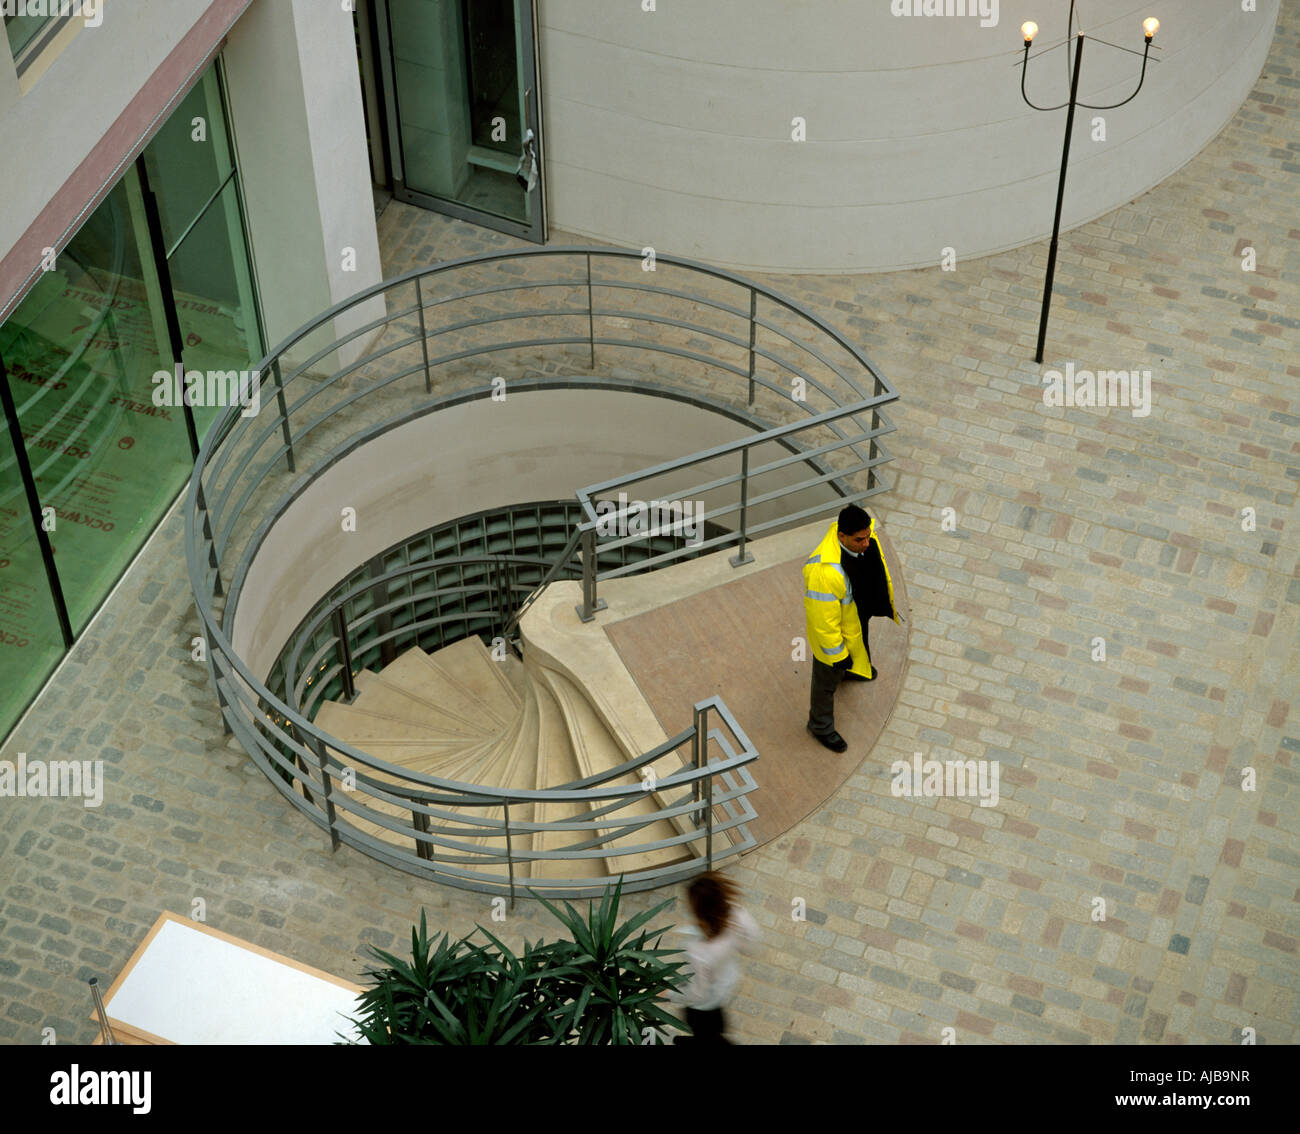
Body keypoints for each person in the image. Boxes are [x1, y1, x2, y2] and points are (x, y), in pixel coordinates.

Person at [802, 503, 901, 753]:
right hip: (833, 638)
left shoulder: (855, 536)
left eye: (868, 536)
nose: (867, 543)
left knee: (857, 650)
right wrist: (837, 656)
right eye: (860, 540)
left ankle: (851, 670)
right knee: (825, 681)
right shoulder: (823, 573)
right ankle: (820, 726)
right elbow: (824, 624)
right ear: (841, 536)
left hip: (854, 619)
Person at [665, 872, 759, 1044]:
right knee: (715, 1028)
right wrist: (735, 943)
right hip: (725, 983)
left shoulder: (698, 950)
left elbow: (698, 993)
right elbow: (752, 941)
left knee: (705, 1031)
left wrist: (670, 994)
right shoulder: (737, 913)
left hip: (704, 1004)